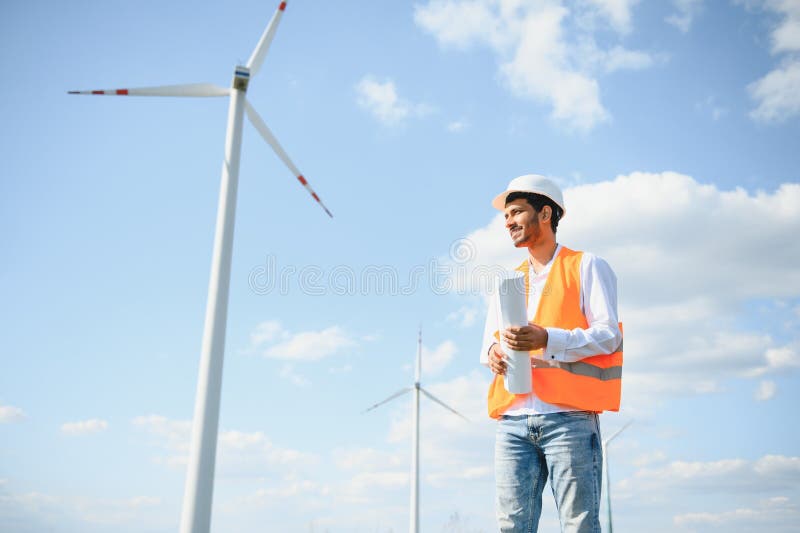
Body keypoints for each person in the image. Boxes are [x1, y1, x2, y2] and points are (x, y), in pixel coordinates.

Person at [480, 174, 623, 533]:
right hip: (513, 421)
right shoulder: (507, 281)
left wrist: (547, 338)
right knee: (512, 527)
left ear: (545, 214)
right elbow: (488, 344)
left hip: (569, 421)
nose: (509, 222)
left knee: (578, 525)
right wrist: (494, 352)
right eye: (506, 217)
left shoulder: (587, 266)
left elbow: (608, 336)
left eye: (516, 212)